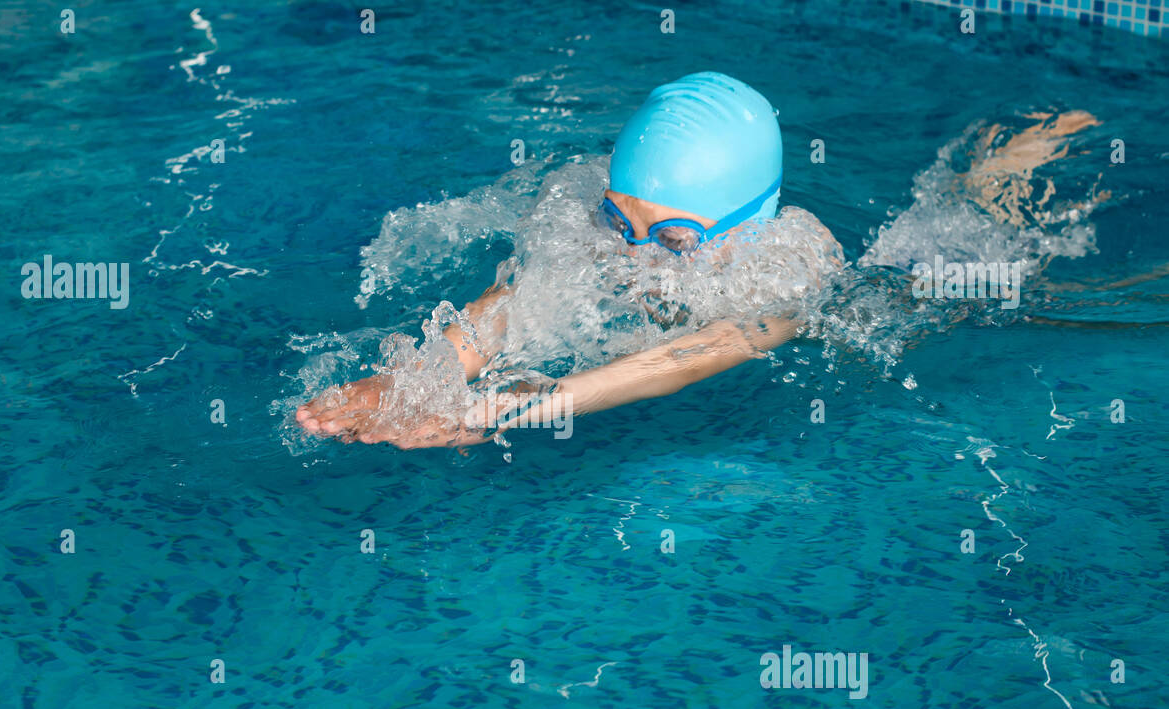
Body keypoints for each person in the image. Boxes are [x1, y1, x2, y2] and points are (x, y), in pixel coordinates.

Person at [295, 74, 1097, 449]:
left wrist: (501, 409)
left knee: (982, 234)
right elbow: (514, 302)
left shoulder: (787, 266)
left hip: (924, 280)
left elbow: (695, 355)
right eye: (621, 221)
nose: (635, 255)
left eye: (673, 241)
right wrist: (413, 379)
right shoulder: (605, 219)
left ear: (746, 223)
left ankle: (1023, 156)